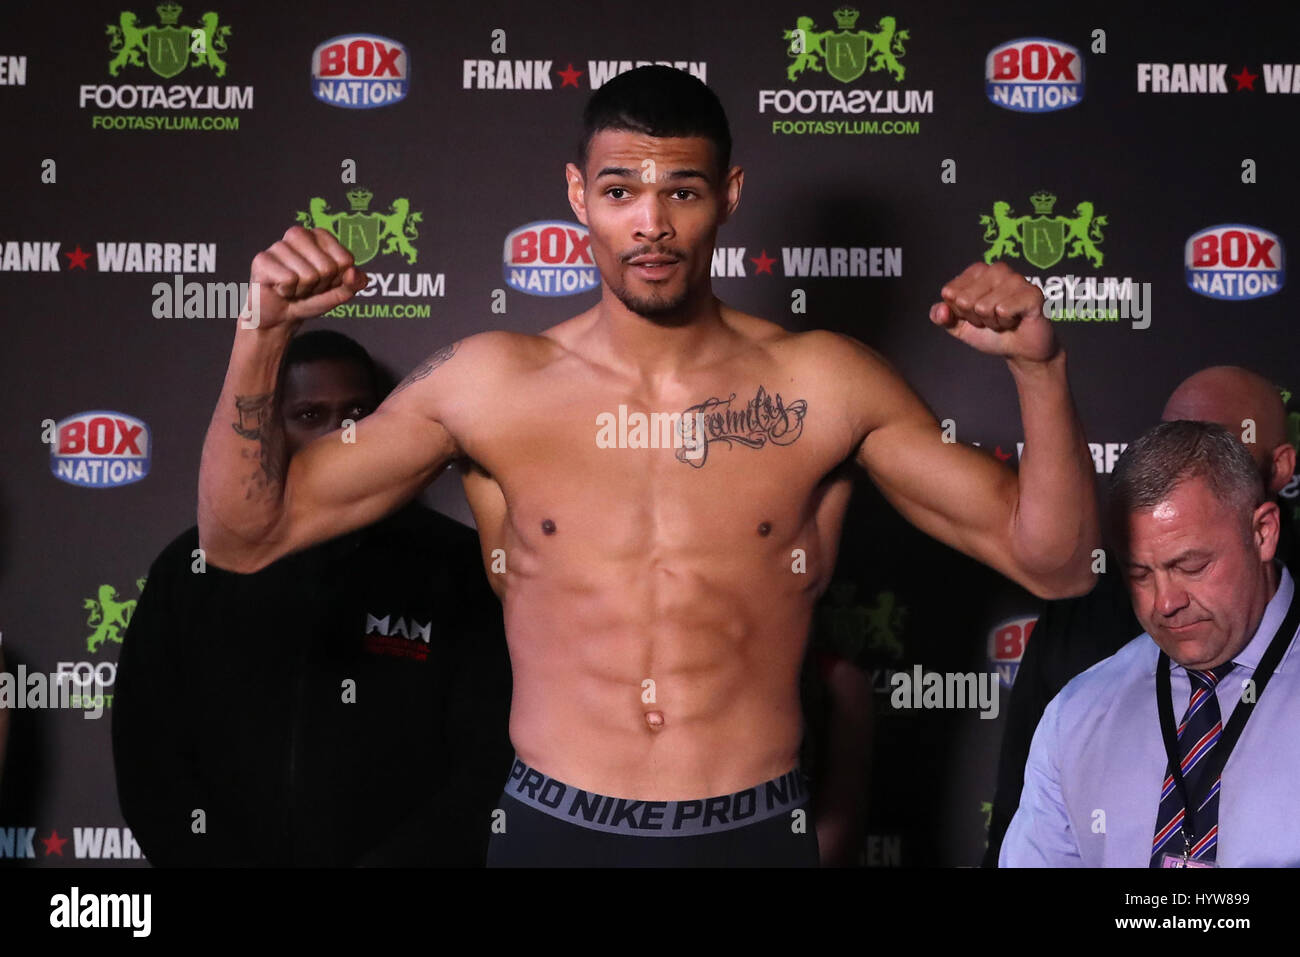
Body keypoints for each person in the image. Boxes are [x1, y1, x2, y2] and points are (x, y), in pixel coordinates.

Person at [198, 66, 1100, 866]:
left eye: (683, 191)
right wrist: (261, 337)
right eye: (622, 190)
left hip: (753, 825)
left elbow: (1052, 561)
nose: (652, 224)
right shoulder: (492, 384)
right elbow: (244, 538)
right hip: (552, 824)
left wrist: (1040, 371)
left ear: (730, 194)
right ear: (577, 195)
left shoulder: (823, 383)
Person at [114, 330, 512, 866]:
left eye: (357, 413)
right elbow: (150, 758)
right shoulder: (194, 569)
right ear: (268, 430)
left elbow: (487, 766)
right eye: (309, 415)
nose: (341, 435)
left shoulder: (455, 566)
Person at [984, 366, 1297, 865]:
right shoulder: (1077, 713)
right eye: (1140, 574)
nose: (1164, 603)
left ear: (1263, 532)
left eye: (1190, 566)